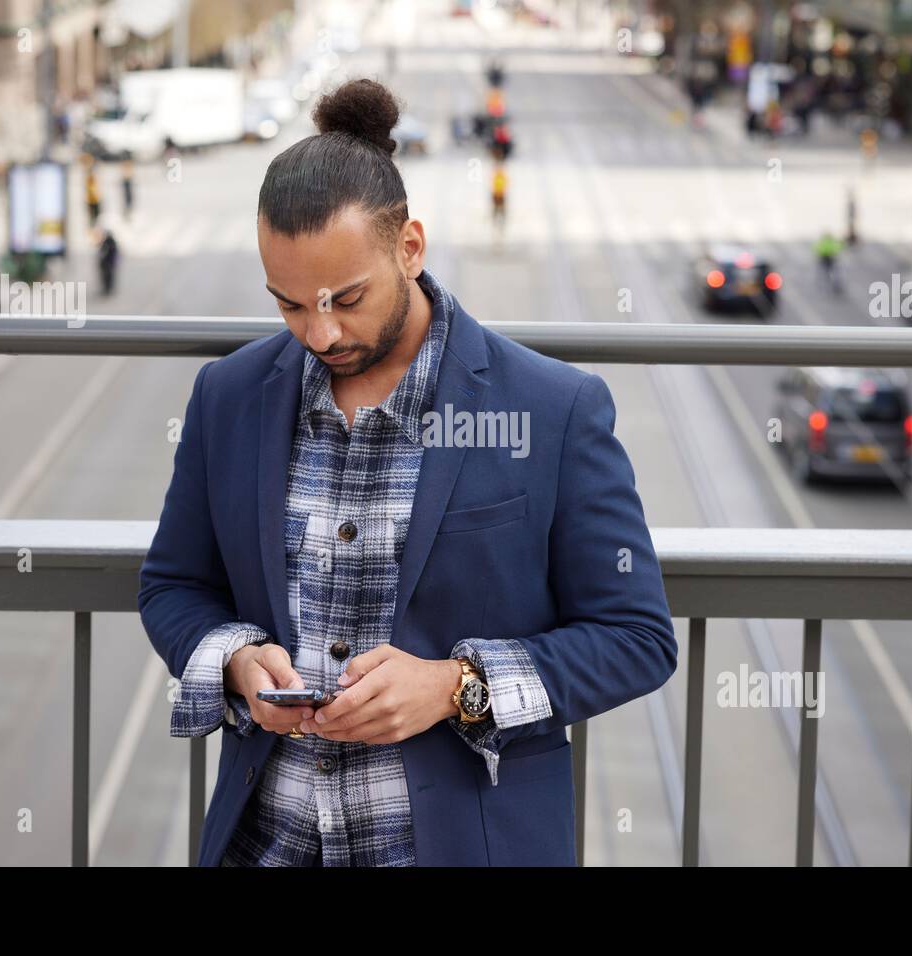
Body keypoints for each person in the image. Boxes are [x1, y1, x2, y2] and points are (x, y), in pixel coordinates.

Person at [139, 79, 676, 868]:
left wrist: (458, 686)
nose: (319, 333)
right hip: (268, 844)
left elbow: (636, 638)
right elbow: (172, 586)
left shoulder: (554, 408)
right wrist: (234, 662)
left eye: (344, 299)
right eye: (289, 306)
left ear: (410, 247)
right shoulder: (227, 397)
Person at [97, 228, 119, 296]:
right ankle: (107, 288)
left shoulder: (110, 242)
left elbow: (112, 253)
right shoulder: (107, 242)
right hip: (107, 263)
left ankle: (108, 288)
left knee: (108, 276)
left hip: (108, 263)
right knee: (106, 276)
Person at [491, 161, 507, 241]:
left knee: (501, 210)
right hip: (497, 194)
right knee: (496, 209)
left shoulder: (501, 176)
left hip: (500, 194)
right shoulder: (496, 176)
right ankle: (495, 219)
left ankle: (501, 219)